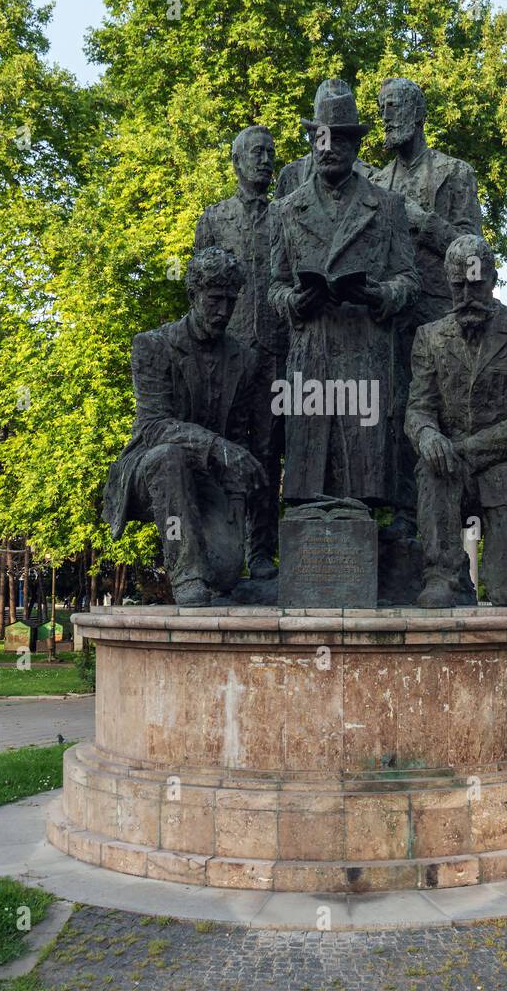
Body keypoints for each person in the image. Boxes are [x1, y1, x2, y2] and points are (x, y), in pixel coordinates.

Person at [269, 84, 419, 506]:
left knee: (363, 488)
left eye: (338, 139)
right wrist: (293, 302)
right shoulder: (286, 210)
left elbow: (409, 279)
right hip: (310, 356)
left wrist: (378, 295)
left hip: (365, 354)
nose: (328, 148)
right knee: (307, 486)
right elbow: (274, 286)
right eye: (320, 139)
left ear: (355, 144)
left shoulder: (388, 206)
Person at [102, 248, 267, 605]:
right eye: (214, 300)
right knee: (169, 456)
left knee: (225, 572)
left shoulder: (244, 359)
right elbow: (154, 425)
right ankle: (186, 575)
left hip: (209, 477)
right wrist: (217, 447)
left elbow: (238, 436)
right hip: (151, 469)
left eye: (230, 301)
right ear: (193, 296)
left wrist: (237, 502)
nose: (223, 311)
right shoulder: (153, 345)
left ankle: (207, 571)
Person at [405, 233, 507, 607]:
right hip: (449, 467)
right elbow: (418, 408)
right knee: (431, 466)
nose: (468, 296)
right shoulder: (429, 338)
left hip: (505, 468)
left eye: (476, 285)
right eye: (459, 288)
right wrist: (426, 436)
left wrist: (468, 448)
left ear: (493, 278)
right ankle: (444, 573)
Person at [373, 77, 484, 538]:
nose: (386, 118)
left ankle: (442, 520)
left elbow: (474, 251)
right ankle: (402, 514)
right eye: (381, 110)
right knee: (395, 412)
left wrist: (424, 223)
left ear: (418, 114)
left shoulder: (454, 173)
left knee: (442, 415)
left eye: (394, 108)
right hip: (391, 320)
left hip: (441, 315)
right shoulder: (375, 183)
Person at [195, 126, 285, 579]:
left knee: (269, 451)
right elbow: (199, 290)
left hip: (275, 355)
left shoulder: (285, 215)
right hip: (227, 357)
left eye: (271, 153)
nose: (266, 160)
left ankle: (262, 553)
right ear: (236, 161)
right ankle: (222, 551)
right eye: (257, 153)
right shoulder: (214, 219)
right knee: (225, 449)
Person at [274, 79, 377, 199]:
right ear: (312, 138)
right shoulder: (291, 174)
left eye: (337, 139)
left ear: (355, 143)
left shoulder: (372, 175)